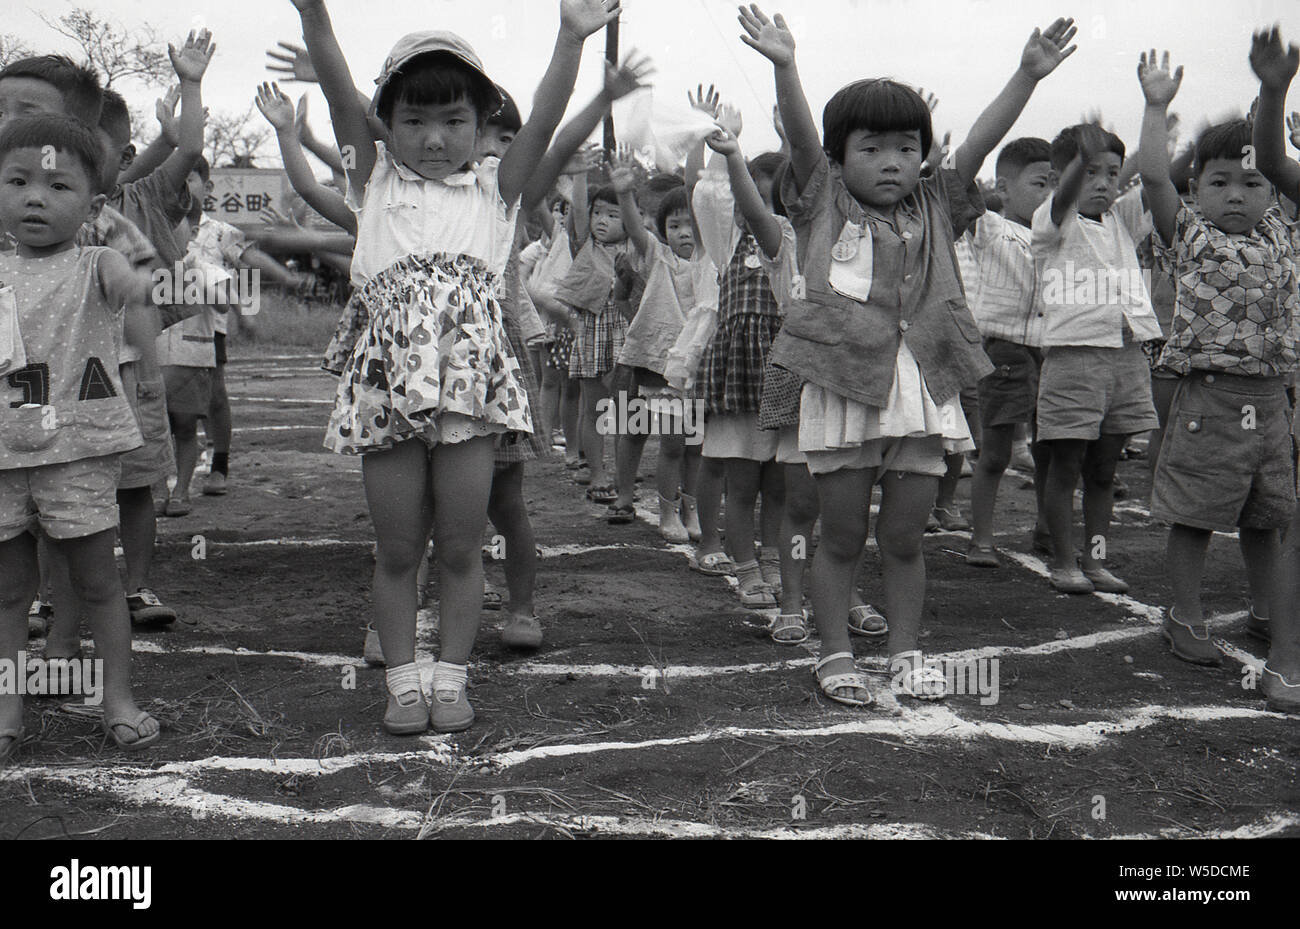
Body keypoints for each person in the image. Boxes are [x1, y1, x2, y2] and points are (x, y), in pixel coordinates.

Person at [295, 0, 620, 734]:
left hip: (470, 390)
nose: (434, 137)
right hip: (386, 389)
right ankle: (403, 683)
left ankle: (452, 677)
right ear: (386, 125)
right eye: (413, 120)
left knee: (464, 544)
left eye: (453, 121)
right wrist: (315, 13)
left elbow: (544, 117)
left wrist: (570, 35)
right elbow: (341, 88)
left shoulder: (496, 192)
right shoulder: (372, 182)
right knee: (399, 545)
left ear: (479, 125)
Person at [744, 5, 1076, 705]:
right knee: (839, 538)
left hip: (923, 387)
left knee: (904, 538)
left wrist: (1026, 75)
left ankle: (905, 651)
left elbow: (978, 146)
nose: (891, 160)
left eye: (904, 145)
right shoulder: (821, 198)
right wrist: (786, 66)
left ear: (921, 153)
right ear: (840, 159)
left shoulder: (934, 202)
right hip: (841, 384)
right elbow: (804, 141)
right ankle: (834, 652)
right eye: (870, 147)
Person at [0, 116, 161, 758]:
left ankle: (117, 699)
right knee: (9, 591)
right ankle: (7, 710)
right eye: (18, 181)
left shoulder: (98, 261)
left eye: (58, 185)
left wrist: (141, 286)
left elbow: (130, 288)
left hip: (78, 455)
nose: (36, 196)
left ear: (93, 206)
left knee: (97, 583)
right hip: (3, 457)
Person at [1140, 51, 1297, 674]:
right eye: (1219, 182)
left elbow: (1279, 160)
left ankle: (1265, 610)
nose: (1235, 195)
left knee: (1269, 515)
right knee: (1196, 514)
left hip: (1273, 398)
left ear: (1271, 190)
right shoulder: (1190, 234)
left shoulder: (1282, 231)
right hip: (1209, 397)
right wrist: (1156, 107)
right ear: (1196, 187)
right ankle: (1183, 614)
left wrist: (1273, 101)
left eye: (1251, 183)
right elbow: (1153, 177)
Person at [1032, 120, 1162, 595]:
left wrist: (1154, 108)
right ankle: (1063, 562)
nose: (1104, 183)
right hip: (1075, 359)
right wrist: (1078, 166)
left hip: (1126, 356)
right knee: (1066, 466)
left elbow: (1158, 177)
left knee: (1105, 471)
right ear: (1061, 175)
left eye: (1111, 173)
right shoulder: (1053, 220)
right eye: (1091, 173)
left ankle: (1096, 560)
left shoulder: (1121, 221)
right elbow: (1065, 197)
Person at [964, 138, 1056, 567]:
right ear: (1003, 186)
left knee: (1050, 450)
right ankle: (981, 540)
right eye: (1040, 183)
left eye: (1055, 184)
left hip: (1053, 350)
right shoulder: (991, 226)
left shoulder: (1058, 234)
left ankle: (1046, 528)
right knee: (996, 453)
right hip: (1005, 349)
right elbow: (959, 188)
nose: (1049, 194)